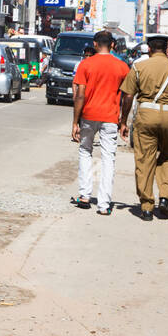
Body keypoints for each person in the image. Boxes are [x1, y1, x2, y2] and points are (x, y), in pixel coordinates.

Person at [119, 34, 168, 220]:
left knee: (144, 160)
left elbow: (128, 97)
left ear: (149, 49)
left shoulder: (138, 66)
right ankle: (166, 198)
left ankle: (146, 206)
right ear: (167, 49)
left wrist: (123, 121)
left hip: (146, 115)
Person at [71, 30, 129, 215]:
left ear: (95, 44)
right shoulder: (122, 67)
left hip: (88, 115)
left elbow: (80, 94)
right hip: (111, 117)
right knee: (108, 158)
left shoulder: (85, 65)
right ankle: (104, 205)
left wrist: (75, 121)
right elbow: (128, 96)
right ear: (112, 45)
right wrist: (124, 120)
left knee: (85, 151)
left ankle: (85, 195)